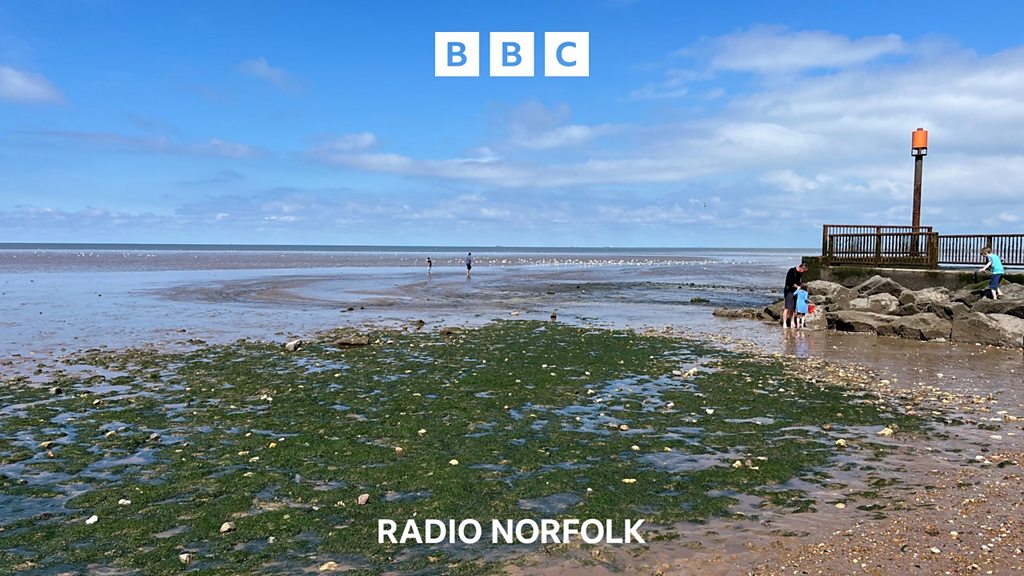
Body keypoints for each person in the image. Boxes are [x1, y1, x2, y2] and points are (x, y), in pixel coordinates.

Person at [782, 262, 807, 329]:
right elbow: (789, 282)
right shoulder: (792, 271)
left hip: (796, 291)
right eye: (804, 270)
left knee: (793, 308)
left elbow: (799, 282)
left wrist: (801, 288)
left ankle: (792, 321)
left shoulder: (800, 273)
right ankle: (784, 323)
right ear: (801, 267)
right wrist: (797, 287)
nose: (804, 272)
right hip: (789, 290)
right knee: (787, 307)